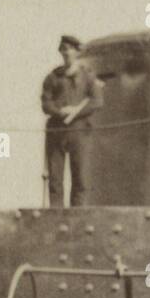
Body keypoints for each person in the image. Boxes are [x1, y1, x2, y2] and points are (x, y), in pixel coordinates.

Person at [41, 34, 104, 207]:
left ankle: (77, 216)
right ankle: (55, 215)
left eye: (68, 50)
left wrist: (77, 111)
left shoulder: (88, 77)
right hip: (56, 132)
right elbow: (46, 104)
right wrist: (61, 112)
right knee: (55, 179)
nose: (65, 53)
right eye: (63, 50)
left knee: (80, 180)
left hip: (80, 132)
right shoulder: (53, 77)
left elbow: (97, 101)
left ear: (76, 52)